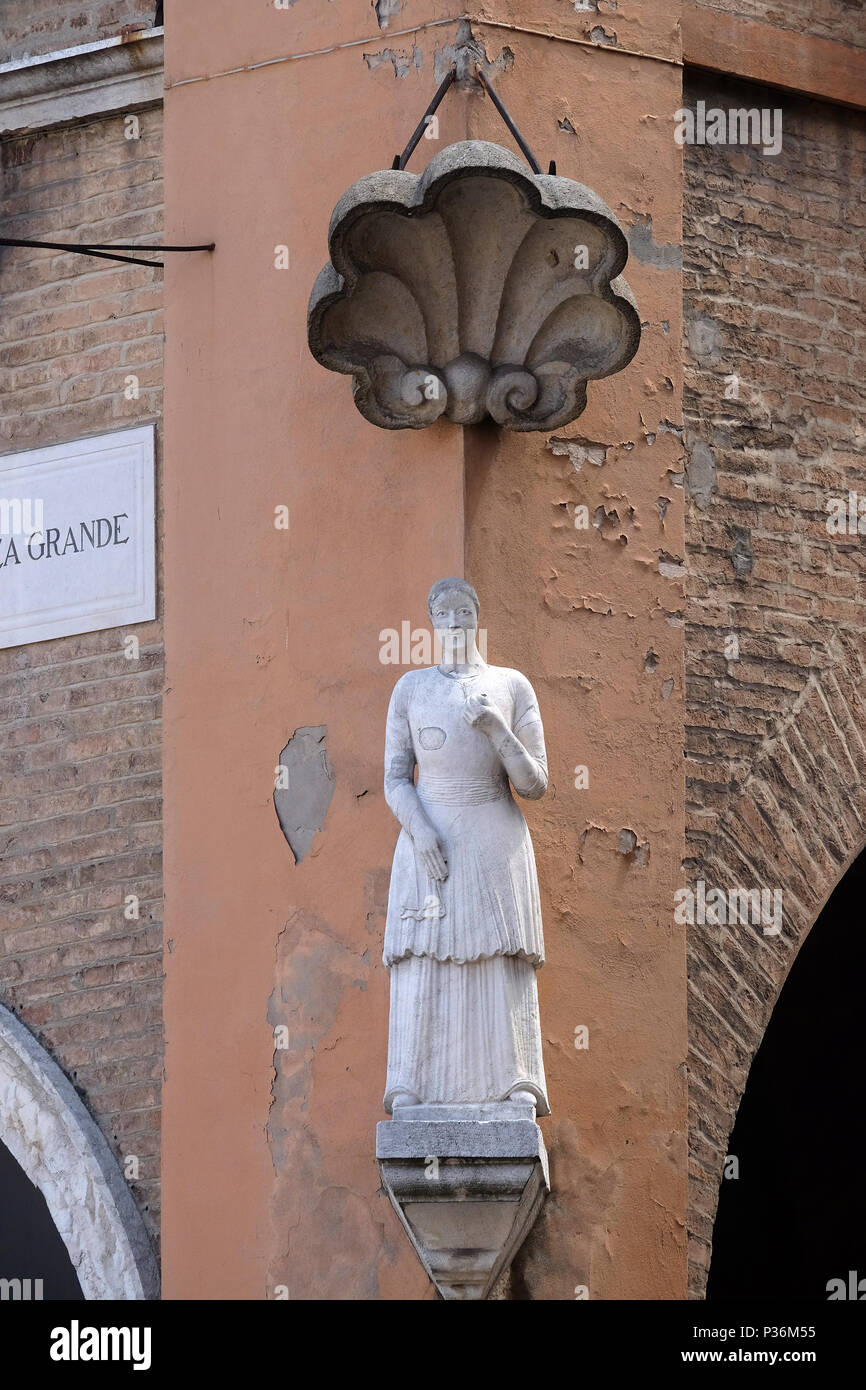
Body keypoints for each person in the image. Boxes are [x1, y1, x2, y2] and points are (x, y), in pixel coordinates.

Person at [382, 576, 550, 1116]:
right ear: (431, 623)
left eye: (464, 614)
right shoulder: (411, 690)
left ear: (478, 619)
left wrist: (498, 730)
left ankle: (514, 1081)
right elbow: (394, 778)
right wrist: (420, 829)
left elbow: (534, 783)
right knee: (425, 955)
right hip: (427, 840)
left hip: (492, 833)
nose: (455, 625)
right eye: (444, 616)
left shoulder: (510, 685)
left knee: (497, 955)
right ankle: (414, 1084)